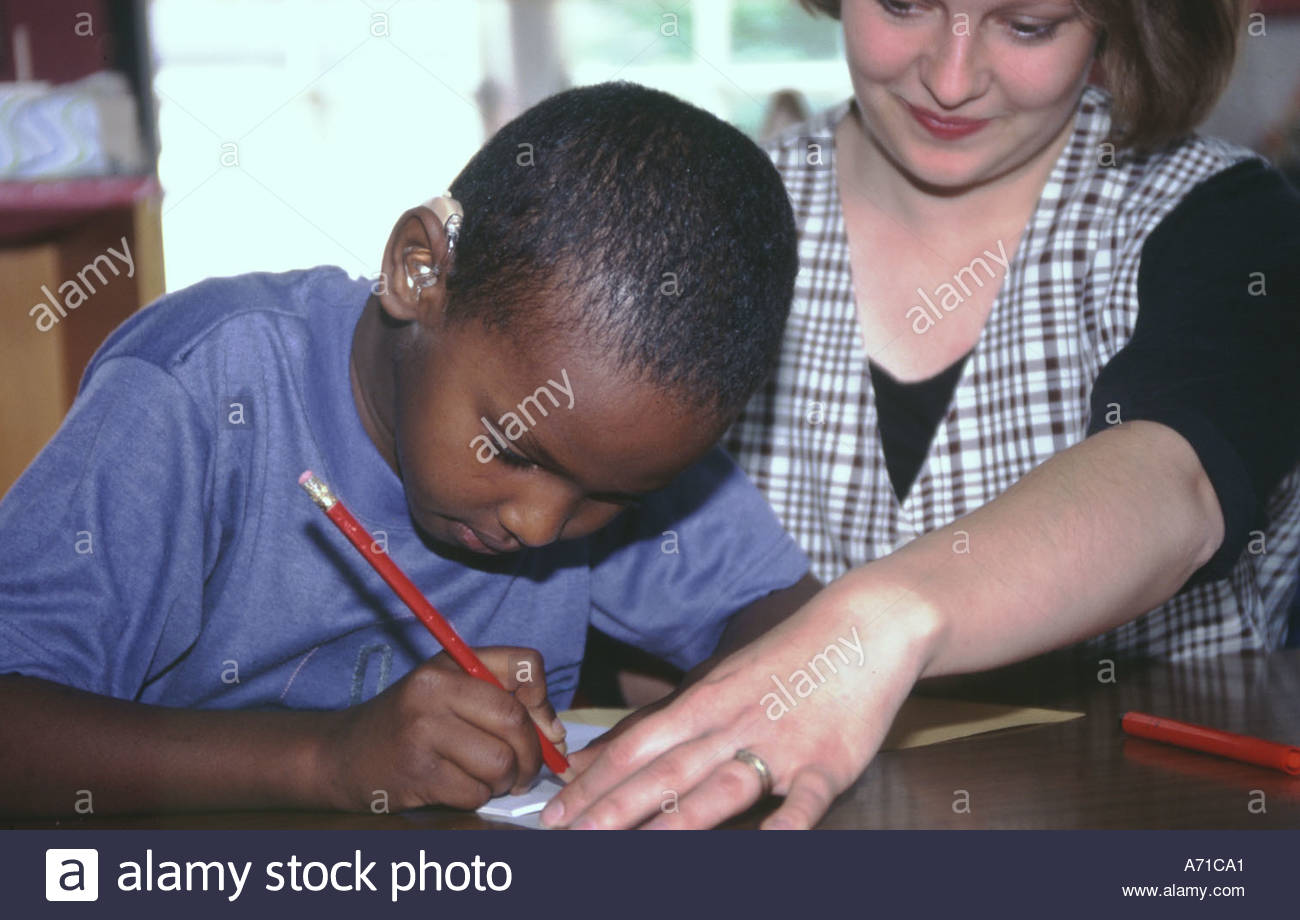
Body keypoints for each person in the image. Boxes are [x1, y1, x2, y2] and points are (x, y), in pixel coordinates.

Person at [544, 0, 1300, 830]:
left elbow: (1177, 481)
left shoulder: (1230, 221)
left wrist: (876, 624)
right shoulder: (707, 229)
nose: (950, 78)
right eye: (905, 4)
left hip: (1156, 817)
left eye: (1029, 25)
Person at [0, 82, 819, 817]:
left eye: (612, 502)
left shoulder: (606, 444)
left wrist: (658, 745)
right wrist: (328, 762)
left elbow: (792, 621)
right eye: (513, 447)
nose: (539, 527)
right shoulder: (200, 392)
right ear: (419, 270)